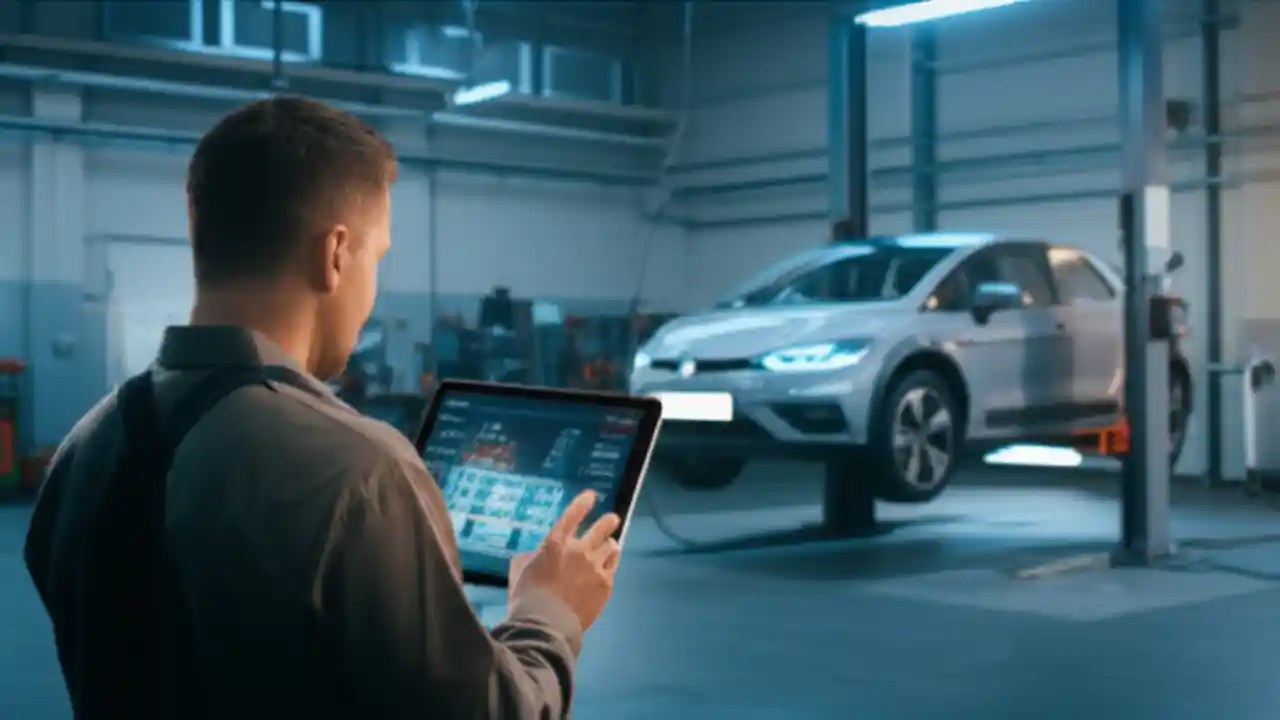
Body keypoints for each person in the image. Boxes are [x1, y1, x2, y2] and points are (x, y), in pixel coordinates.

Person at [24, 96, 620, 718]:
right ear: (335, 254)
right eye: (378, 256)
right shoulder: (361, 471)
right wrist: (549, 612)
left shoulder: (84, 448)